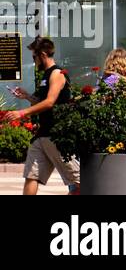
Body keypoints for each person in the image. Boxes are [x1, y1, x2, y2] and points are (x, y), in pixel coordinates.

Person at [0, 37, 79, 195]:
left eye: (34, 57)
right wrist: (28, 96)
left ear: (43, 54)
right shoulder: (46, 75)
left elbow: (50, 102)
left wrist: (21, 113)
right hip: (43, 136)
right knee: (32, 177)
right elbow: (43, 101)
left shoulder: (57, 73)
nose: (34, 61)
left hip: (56, 136)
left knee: (78, 182)